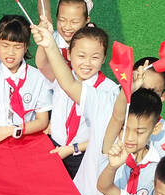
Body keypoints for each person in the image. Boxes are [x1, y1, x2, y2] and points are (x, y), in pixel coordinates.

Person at [33, 23, 114, 178]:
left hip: (84, 155)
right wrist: (44, 44)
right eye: (81, 56)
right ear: (69, 54)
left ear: (104, 58)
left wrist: (73, 149)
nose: (87, 63)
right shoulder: (63, 75)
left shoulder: (108, 90)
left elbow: (106, 136)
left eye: (95, 57)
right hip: (54, 146)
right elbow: (42, 64)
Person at [0, 16, 51, 141]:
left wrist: (12, 130)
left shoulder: (38, 78)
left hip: (23, 139)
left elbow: (42, 121)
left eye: (17, 47)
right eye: (5, 45)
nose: (10, 52)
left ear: (26, 47)